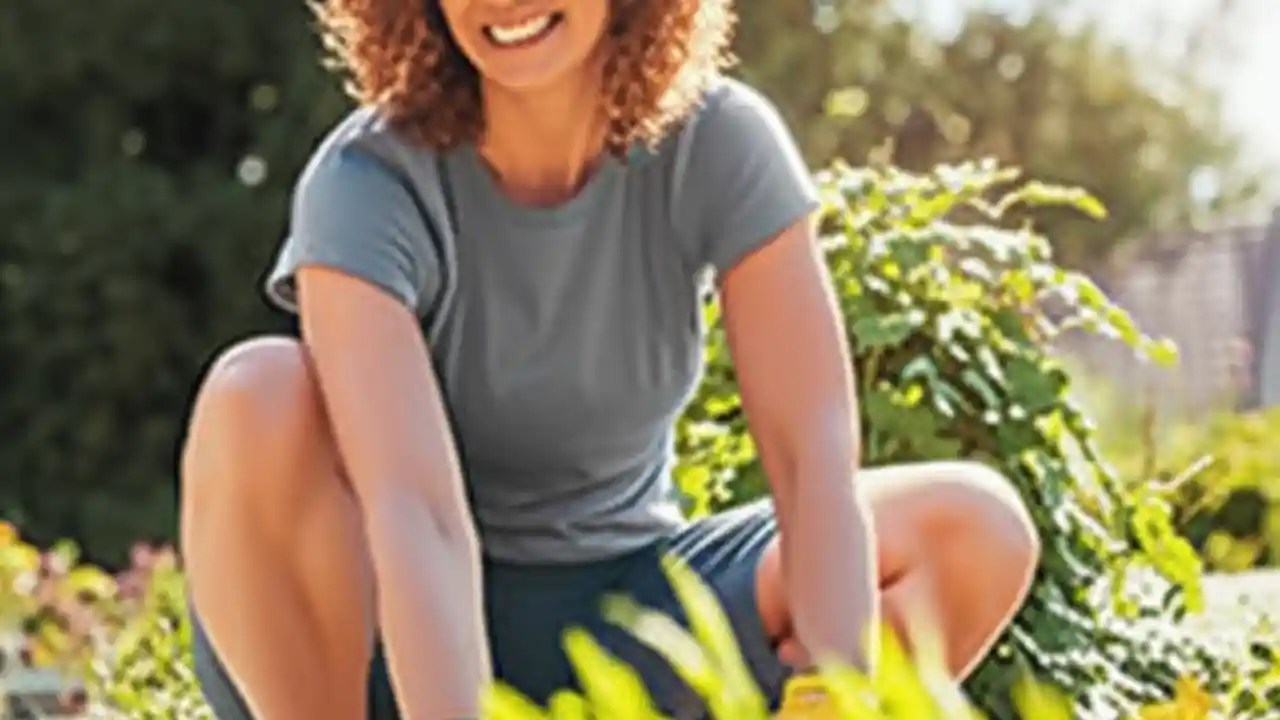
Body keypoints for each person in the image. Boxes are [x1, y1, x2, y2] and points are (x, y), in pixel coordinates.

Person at [178, 1, 1041, 718]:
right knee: (258, 391)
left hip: (626, 600)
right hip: (391, 643)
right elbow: (419, 515)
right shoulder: (366, 185)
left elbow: (810, 451)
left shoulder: (719, 140)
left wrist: (831, 684)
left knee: (972, 530)